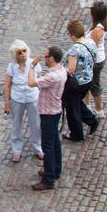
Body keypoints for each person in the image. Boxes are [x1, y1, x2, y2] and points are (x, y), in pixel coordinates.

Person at [28, 46, 67, 189]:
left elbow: (31, 82)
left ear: (51, 58)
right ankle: (55, 169)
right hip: (55, 110)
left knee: (48, 146)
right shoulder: (61, 71)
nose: (44, 58)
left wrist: (32, 66)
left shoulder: (53, 76)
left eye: (46, 56)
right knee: (55, 141)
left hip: (48, 113)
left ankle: (48, 178)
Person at [4, 41, 43, 164]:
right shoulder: (11, 66)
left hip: (32, 97)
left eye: (24, 51)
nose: (22, 54)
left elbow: (40, 81)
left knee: (35, 124)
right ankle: (16, 151)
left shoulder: (34, 64)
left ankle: (38, 147)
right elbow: (7, 85)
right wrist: (7, 102)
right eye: (19, 52)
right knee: (16, 125)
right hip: (17, 98)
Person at [63, 20, 99, 141]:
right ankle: (92, 120)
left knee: (72, 109)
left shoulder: (75, 49)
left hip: (76, 83)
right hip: (88, 79)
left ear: (72, 34)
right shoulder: (91, 43)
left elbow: (71, 69)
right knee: (77, 103)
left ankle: (76, 134)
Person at [88, 1, 107, 116]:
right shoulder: (99, 25)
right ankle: (87, 106)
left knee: (95, 85)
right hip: (96, 59)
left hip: (95, 61)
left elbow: (92, 46)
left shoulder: (97, 30)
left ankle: (99, 110)